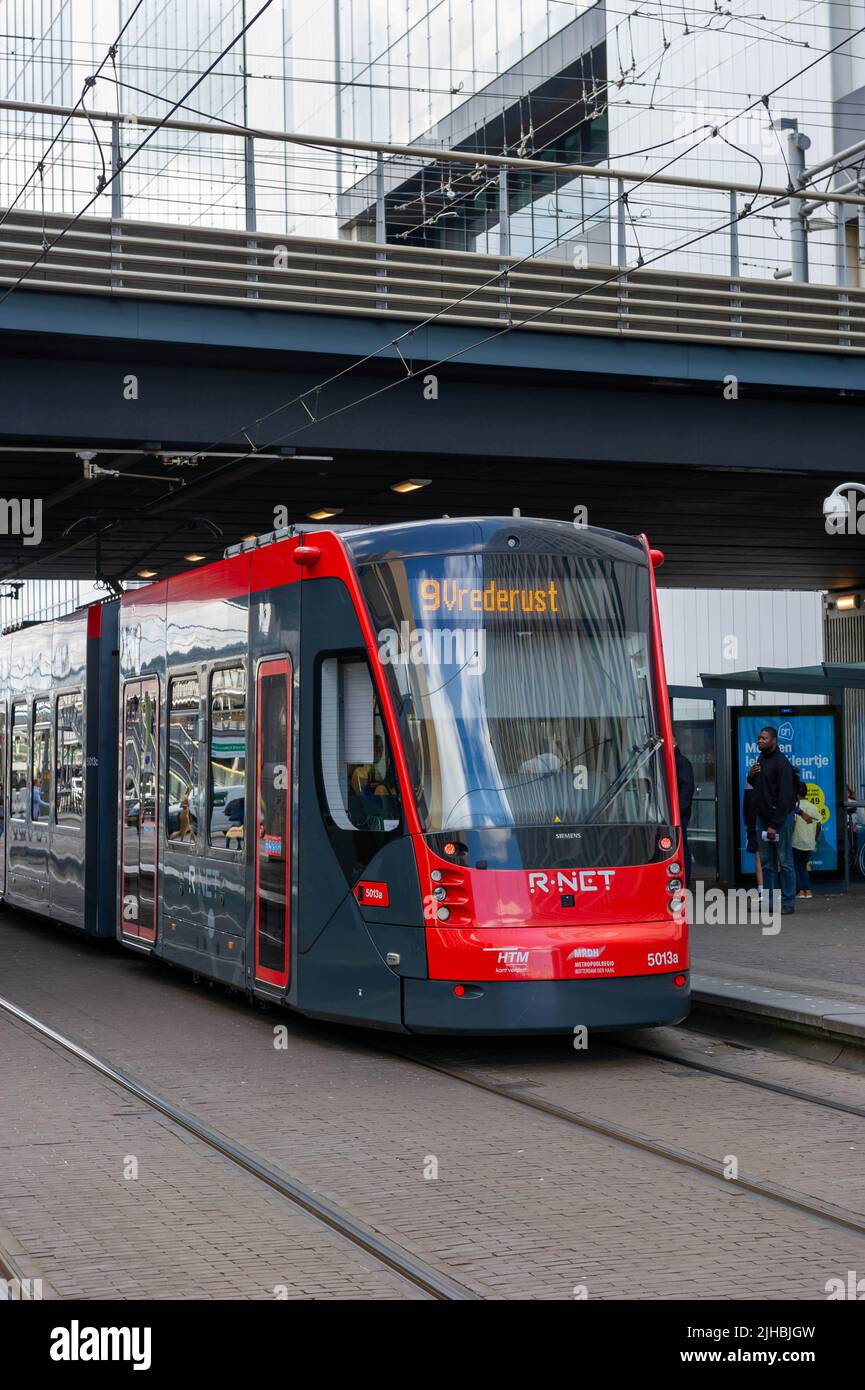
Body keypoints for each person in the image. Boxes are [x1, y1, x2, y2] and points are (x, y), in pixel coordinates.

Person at [748, 726, 797, 914]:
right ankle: (769, 902)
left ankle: (787, 902)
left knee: (785, 862)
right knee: (767, 862)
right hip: (762, 817)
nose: (759, 741)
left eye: (764, 738)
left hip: (779, 819)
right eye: (759, 738)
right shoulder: (761, 759)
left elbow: (785, 798)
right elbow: (760, 786)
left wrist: (774, 825)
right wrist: (750, 776)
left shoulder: (781, 763)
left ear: (774, 740)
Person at [792, 777, 821, 899]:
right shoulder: (813, 807)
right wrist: (814, 838)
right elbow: (819, 824)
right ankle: (807, 891)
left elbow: (792, 824)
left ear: (796, 793)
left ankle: (799, 891)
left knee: (794, 866)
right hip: (809, 842)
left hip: (796, 841)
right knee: (803, 866)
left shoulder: (794, 806)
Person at [674, 739, 695, 884]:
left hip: (679, 813)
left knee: (682, 845)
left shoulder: (681, 762)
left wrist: (679, 811)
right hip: (675, 813)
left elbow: (686, 790)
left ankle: (685, 879)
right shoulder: (672, 759)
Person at [742, 774, 763, 892]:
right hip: (767, 823)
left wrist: (747, 823)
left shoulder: (749, 784)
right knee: (772, 858)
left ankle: (761, 888)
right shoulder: (769, 784)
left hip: (753, 823)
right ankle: (772, 888)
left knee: (758, 857)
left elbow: (746, 806)